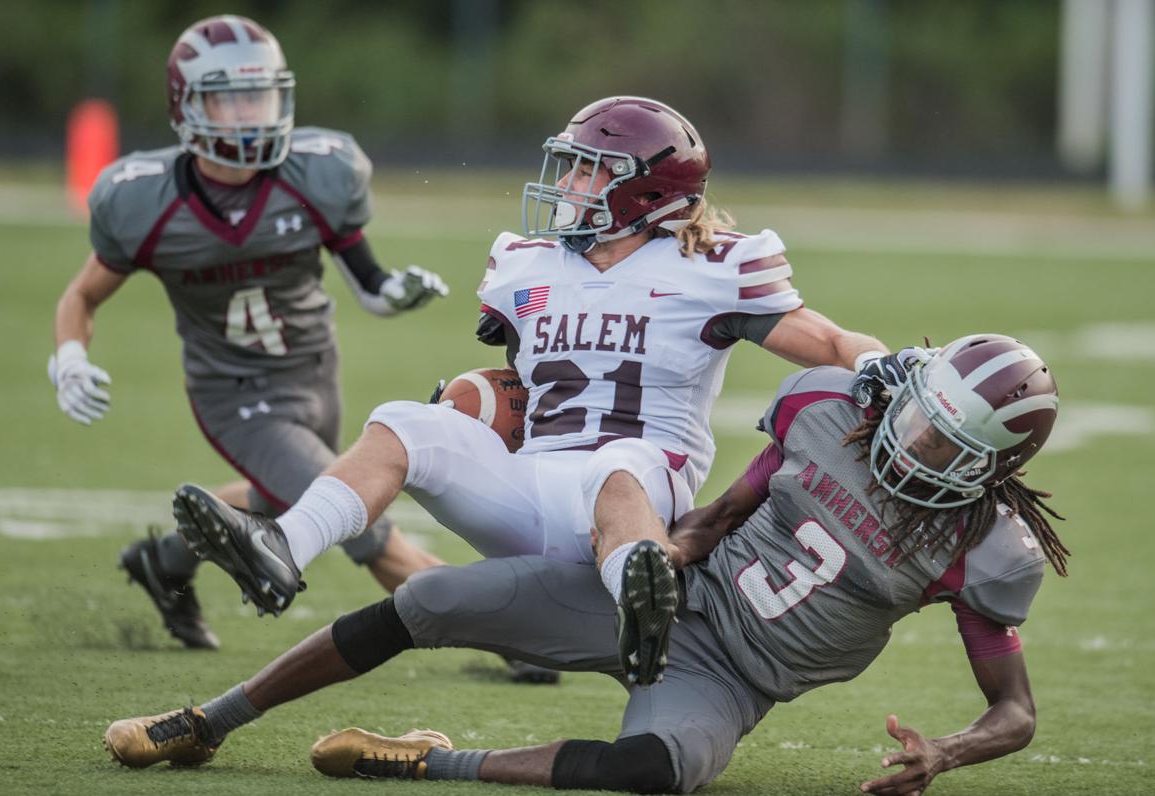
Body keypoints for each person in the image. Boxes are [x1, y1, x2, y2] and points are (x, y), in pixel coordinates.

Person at [102, 334, 1067, 794]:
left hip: (730, 679)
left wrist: (945, 751)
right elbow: (726, 512)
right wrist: (652, 568)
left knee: (652, 773)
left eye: (944, 446)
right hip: (665, 602)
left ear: (993, 465)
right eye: (916, 415)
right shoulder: (827, 412)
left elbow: (1015, 712)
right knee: (432, 596)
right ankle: (206, 721)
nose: (911, 441)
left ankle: (428, 763)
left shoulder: (986, 548)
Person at [168, 95, 898, 682]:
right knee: (403, 421)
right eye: (570, 167)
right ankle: (281, 548)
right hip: (534, 485)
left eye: (588, 171)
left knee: (617, 466)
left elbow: (832, 342)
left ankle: (644, 610)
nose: (567, 185)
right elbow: (523, 390)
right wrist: (467, 409)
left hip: (645, 484)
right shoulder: (527, 265)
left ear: (643, 192)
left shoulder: (714, 268)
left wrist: (875, 363)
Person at [48, 14, 449, 652]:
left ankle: (165, 562)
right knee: (358, 521)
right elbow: (83, 294)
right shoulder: (145, 203)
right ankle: (496, 625)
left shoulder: (316, 176)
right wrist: (69, 358)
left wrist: (394, 292)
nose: (250, 114)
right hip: (235, 392)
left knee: (276, 495)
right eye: (230, 99)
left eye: (259, 95)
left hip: (315, 370)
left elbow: (367, 283)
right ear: (188, 106)